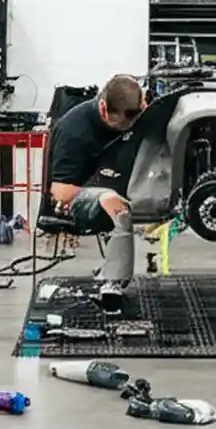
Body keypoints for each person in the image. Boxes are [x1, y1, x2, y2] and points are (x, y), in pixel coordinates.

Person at [46, 74, 147, 313]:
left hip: (115, 183)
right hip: (74, 197)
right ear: (103, 106)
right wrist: (103, 196)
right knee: (118, 209)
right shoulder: (74, 131)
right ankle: (112, 286)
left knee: (117, 201)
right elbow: (60, 192)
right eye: (117, 126)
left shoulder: (137, 111)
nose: (124, 130)